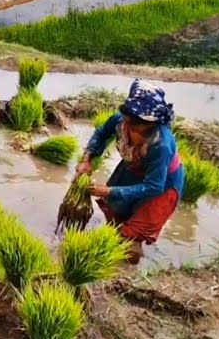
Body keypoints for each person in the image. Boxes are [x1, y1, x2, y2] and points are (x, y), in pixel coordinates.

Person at [75, 80, 184, 264]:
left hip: (162, 186)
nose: (130, 124)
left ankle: (127, 269)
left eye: (138, 122)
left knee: (131, 236)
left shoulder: (160, 144)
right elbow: (102, 133)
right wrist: (87, 160)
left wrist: (110, 191)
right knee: (115, 218)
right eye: (129, 118)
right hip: (131, 171)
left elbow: (154, 186)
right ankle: (113, 255)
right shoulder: (120, 121)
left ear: (151, 121)